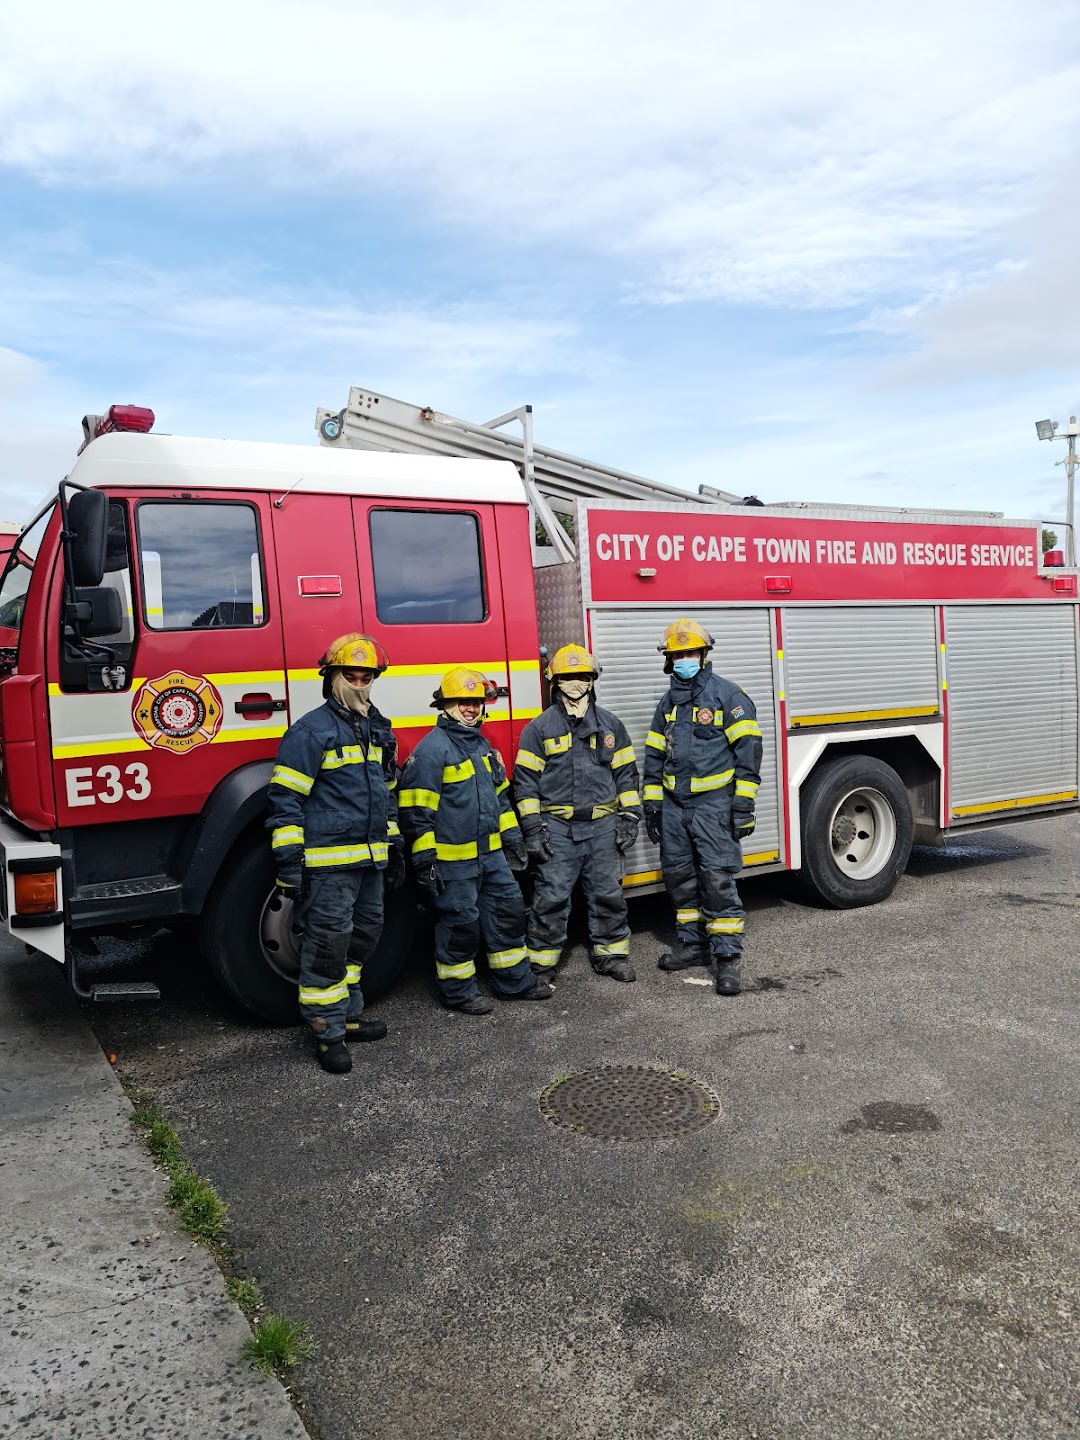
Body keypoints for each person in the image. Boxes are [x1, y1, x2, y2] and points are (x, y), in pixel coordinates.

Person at [266, 633, 404, 1074]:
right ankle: (326, 1032)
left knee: (363, 937)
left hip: (370, 860)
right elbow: (286, 801)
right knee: (328, 944)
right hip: (328, 865)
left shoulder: (379, 730)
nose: (360, 682)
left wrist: (395, 843)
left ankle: (349, 1015)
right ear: (330, 677)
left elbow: (388, 793)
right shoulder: (310, 732)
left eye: (367, 676)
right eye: (351, 675)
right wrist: (290, 866)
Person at [397, 667, 552, 1014]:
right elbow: (415, 815)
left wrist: (512, 839)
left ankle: (514, 983)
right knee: (460, 926)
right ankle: (457, 993)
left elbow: (499, 799)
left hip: (491, 856)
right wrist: (424, 861)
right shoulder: (432, 751)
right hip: (454, 862)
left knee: (508, 914)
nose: (470, 708)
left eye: (476, 702)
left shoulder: (481, 745)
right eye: (462, 702)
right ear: (446, 706)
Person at [642, 619, 762, 996]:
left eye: (690, 653)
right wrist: (652, 805)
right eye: (677, 655)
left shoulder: (728, 696)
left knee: (716, 880)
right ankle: (692, 946)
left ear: (704, 655)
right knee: (679, 878)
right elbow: (653, 755)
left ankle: (726, 960)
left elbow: (749, 753)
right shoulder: (668, 703)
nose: (684, 660)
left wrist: (742, 805)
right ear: (668, 660)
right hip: (675, 808)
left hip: (713, 807)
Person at [513, 644, 641, 984]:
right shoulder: (538, 729)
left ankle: (611, 956)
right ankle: (541, 964)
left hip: (602, 826)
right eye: (568, 677)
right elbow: (525, 785)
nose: (575, 683)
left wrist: (630, 817)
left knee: (607, 894)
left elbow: (626, 776)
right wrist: (532, 829)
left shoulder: (611, 726)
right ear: (555, 681)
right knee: (551, 896)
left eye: (582, 676)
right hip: (556, 828)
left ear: (592, 680)